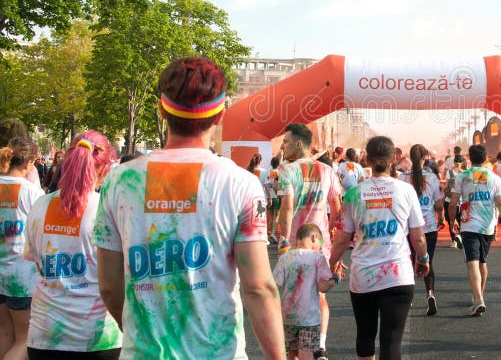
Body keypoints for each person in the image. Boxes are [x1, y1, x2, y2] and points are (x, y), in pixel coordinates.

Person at [93, 56, 285, 359]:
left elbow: (108, 286)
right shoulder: (239, 183)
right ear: (220, 115)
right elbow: (259, 287)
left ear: (161, 109)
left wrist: (136, 332)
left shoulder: (119, 180)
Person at [23, 131, 123, 359]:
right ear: (105, 169)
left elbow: (35, 261)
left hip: (45, 336)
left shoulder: (40, 205)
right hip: (98, 340)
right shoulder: (105, 209)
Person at [329, 135, 429, 360]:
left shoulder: (355, 193)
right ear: (394, 158)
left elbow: (343, 238)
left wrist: (332, 262)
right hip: (398, 275)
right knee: (391, 342)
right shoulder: (406, 191)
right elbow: (418, 237)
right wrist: (423, 259)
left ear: (368, 159)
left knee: (365, 338)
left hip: (363, 276)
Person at [277, 123, 342, 360]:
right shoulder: (327, 171)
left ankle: (294, 350)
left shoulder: (288, 171)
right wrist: (330, 234)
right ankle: (319, 346)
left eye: (285, 142)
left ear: (298, 143)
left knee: (292, 296)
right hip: (319, 243)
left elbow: (287, 208)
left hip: (295, 244)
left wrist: (284, 241)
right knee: (319, 296)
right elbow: (336, 207)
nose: (282, 147)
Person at [448, 144, 501, 316]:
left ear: (470, 158)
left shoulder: (462, 176)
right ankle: (479, 297)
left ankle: (478, 299)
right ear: (485, 159)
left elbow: (453, 202)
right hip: (488, 226)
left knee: (473, 262)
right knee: (482, 262)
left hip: (469, 223)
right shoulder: (495, 178)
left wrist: (452, 221)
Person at [0, 138, 45, 360]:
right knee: (24, 340)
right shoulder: (32, 193)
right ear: (30, 162)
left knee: (4, 333)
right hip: (22, 277)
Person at [274, 223, 337, 360]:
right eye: (320, 243)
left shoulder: (285, 258)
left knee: (291, 354)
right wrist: (335, 278)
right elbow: (323, 287)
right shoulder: (317, 258)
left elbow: (275, 285)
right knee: (306, 355)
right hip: (309, 319)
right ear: (314, 237)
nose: (320, 247)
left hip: (287, 318)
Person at [398, 144, 443, 315]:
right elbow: (439, 203)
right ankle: (430, 293)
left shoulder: (402, 178)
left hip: (408, 228)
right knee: (426, 260)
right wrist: (442, 217)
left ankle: (408, 298)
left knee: (408, 263)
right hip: (429, 227)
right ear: (425, 158)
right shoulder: (432, 178)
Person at [443, 160, 464, 249]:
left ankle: (453, 240)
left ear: (454, 162)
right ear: (462, 162)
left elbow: (446, 185)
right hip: (461, 200)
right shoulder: (464, 173)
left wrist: (443, 190)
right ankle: (459, 236)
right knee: (461, 221)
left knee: (451, 220)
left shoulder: (449, 172)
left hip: (449, 199)